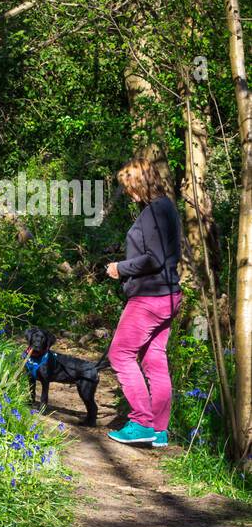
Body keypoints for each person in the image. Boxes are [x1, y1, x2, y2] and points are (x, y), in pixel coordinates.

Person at [105, 158, 183, 448]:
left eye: (128, 186)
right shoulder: (167, 208)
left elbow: (154, 259)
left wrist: (120, 268)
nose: (127, 192)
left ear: (138, 183)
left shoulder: (153, 211)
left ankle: (141, 423)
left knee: (120, 355)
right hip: (169, 296)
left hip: (150, 297)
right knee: (154, 361)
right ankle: (159, 430)